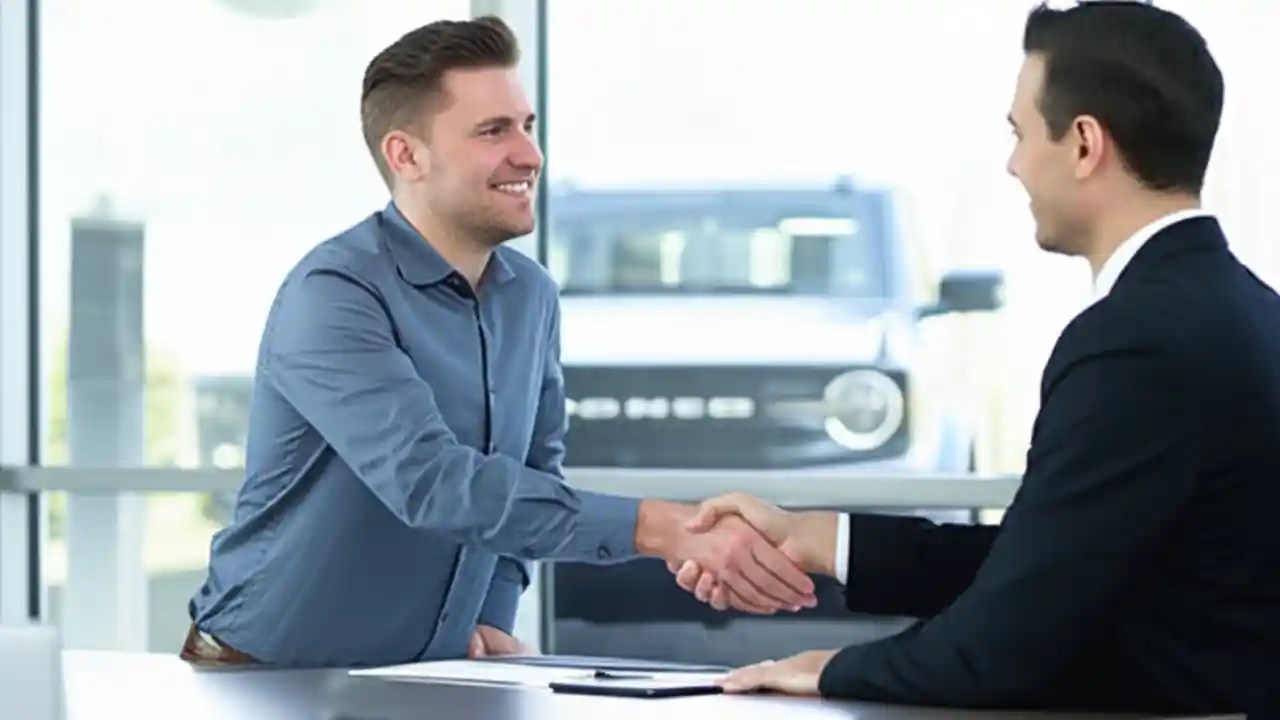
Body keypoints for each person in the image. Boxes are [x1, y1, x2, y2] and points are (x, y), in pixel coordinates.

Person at [672, 2, 1280, 714]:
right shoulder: (1248, 310)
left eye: (1021, 133)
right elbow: (1051, 562)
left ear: (1085, 144)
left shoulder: (1136, 340)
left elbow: (997, 651)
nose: (1014, 164)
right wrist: (818, 537)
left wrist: (829, 669)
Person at [182, 15, 816, 669]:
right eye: (493, 131)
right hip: (267, 676)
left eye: (527, 126)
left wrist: (487, 612)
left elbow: (533, 473)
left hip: (430, 675)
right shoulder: (334, 292)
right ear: (407, 156)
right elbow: (432, 481)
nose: (529, 155)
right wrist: (664, 529)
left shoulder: (530, 295)